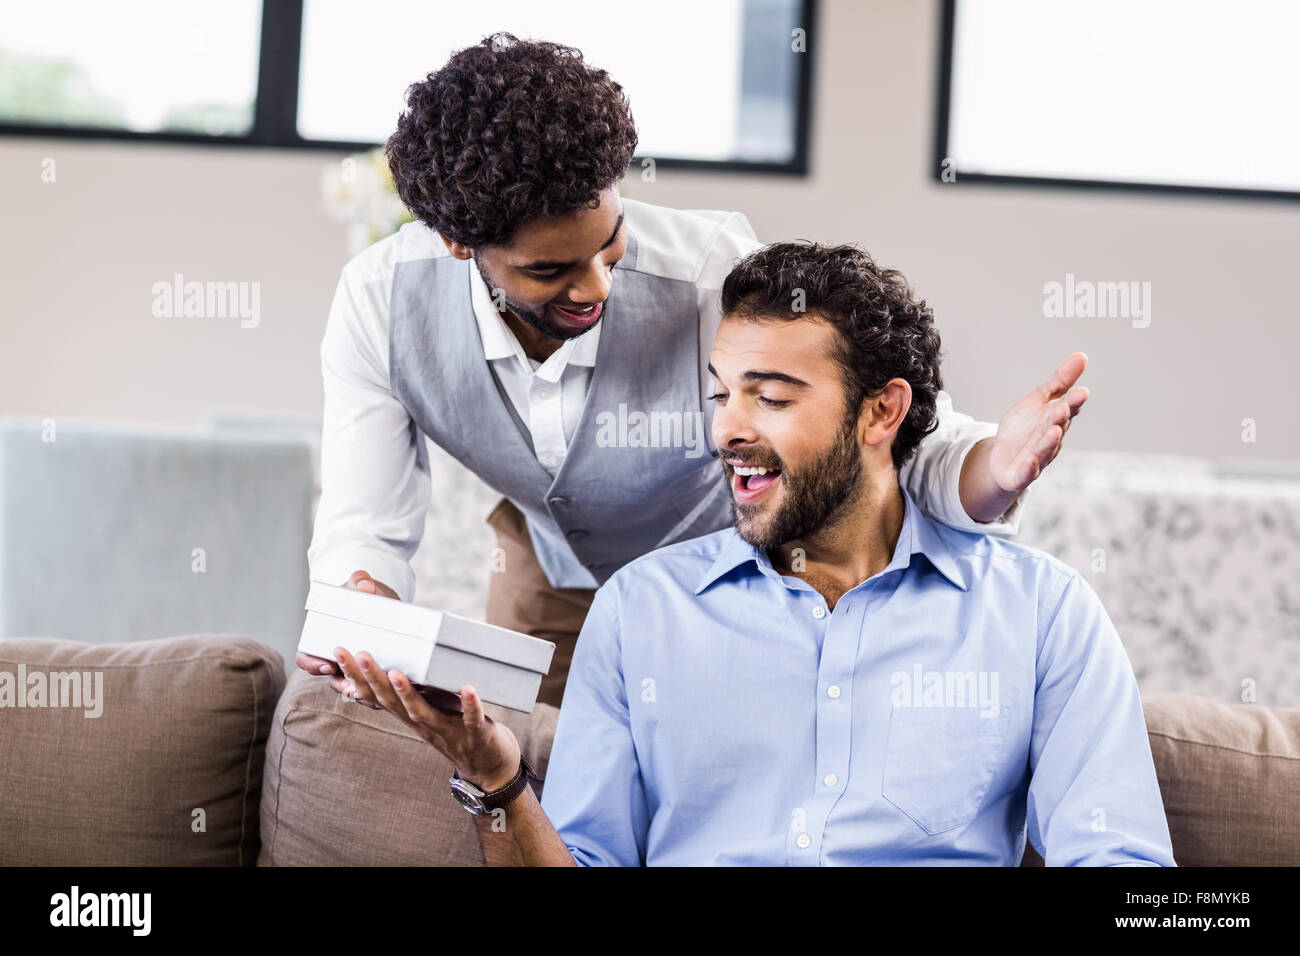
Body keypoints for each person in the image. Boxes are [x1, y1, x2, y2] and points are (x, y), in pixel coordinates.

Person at [299, 33, 1089, 708]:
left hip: (737, 583)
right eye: (551, 272)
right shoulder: (379, 305)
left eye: (610, 245)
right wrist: (360, 603)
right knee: (538, 786)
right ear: (458, 243)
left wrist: (994, 465)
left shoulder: (711, 272)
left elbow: (889, 435)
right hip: (548, 586)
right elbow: (363, 522)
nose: (597, 287)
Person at [333, 241, 1173, 867]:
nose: (728, 427)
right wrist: (499, 782)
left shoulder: (1040, 614)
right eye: (720, 392)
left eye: (770, 396)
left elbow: (1121, 863)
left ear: (882, 414)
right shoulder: (640, 611)